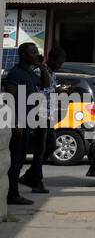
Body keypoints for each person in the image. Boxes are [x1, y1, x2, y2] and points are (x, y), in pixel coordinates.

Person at [19, 46, 66, 195]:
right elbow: (40, 87)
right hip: (38, 113)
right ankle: (36, 181)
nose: (61, 65)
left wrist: (60, 91)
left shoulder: (52, 73)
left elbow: (49, 90)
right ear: (52, 59)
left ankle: (30, 175)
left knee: (50, 146)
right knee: (40, 149)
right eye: (59, 62)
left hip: (48, 115)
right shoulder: (40, 70)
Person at [4, 43, 46, 206]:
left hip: (28, 121)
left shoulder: (29, 73)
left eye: (37, 52)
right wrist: (15, 123)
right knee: (15, 160)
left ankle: (13, 192)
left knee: (20, 159)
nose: (36, 55)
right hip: (18, 122)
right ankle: (11, 194)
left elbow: (45, 84)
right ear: (23, 54)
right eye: (33, 53)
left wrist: (41, 66)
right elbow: (9, 98)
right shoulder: (15, 73)